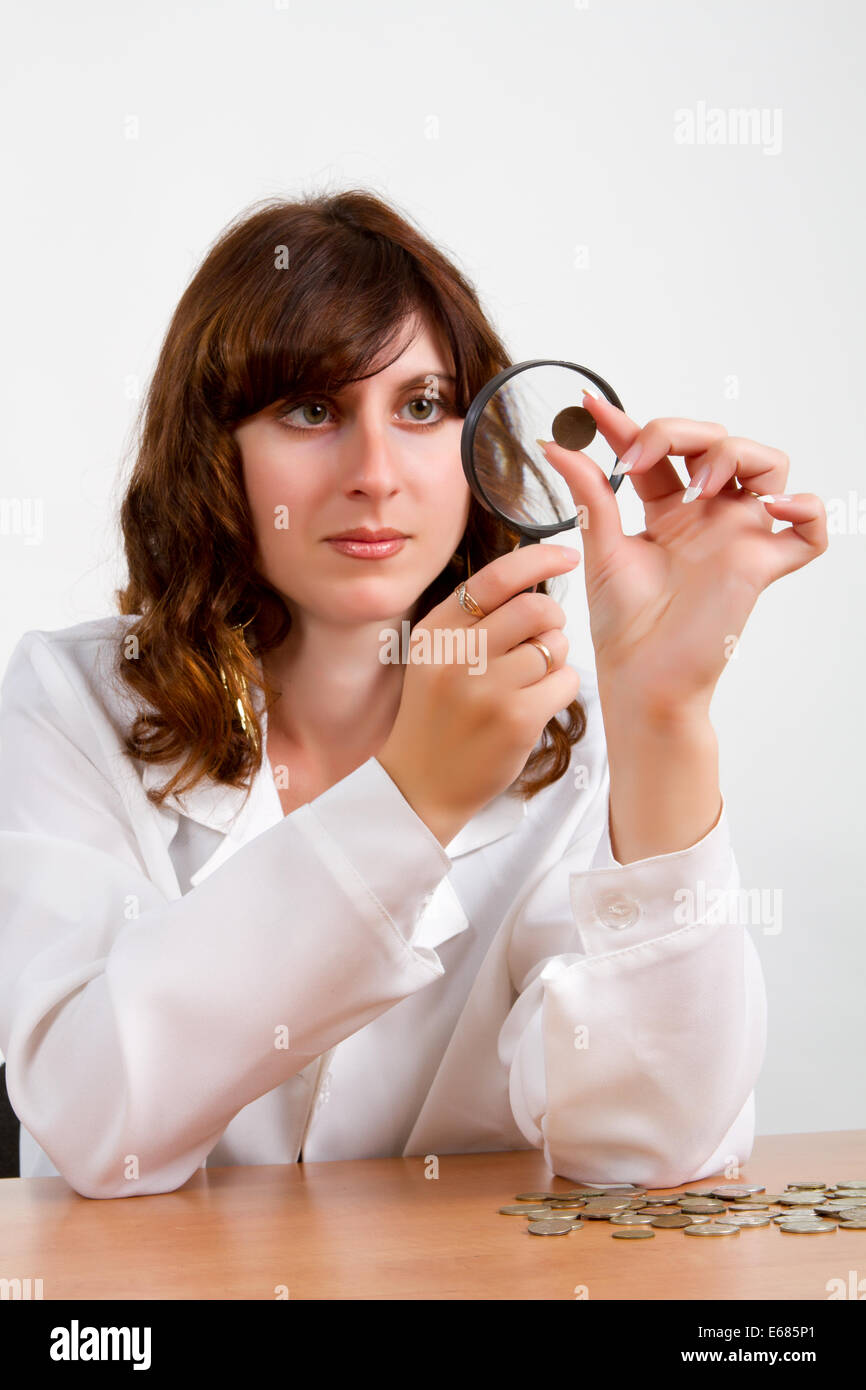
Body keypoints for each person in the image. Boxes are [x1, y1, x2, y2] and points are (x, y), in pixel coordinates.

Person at [0, 190, 827, 1200]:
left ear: (476, 447)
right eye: (310, 409)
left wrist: (663, 717)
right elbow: (97, 1126)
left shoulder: (557, 744)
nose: (376, 474)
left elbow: (652, 1152)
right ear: (213, 450)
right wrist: (408, 802)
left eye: (423, 407)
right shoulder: (69, 701)